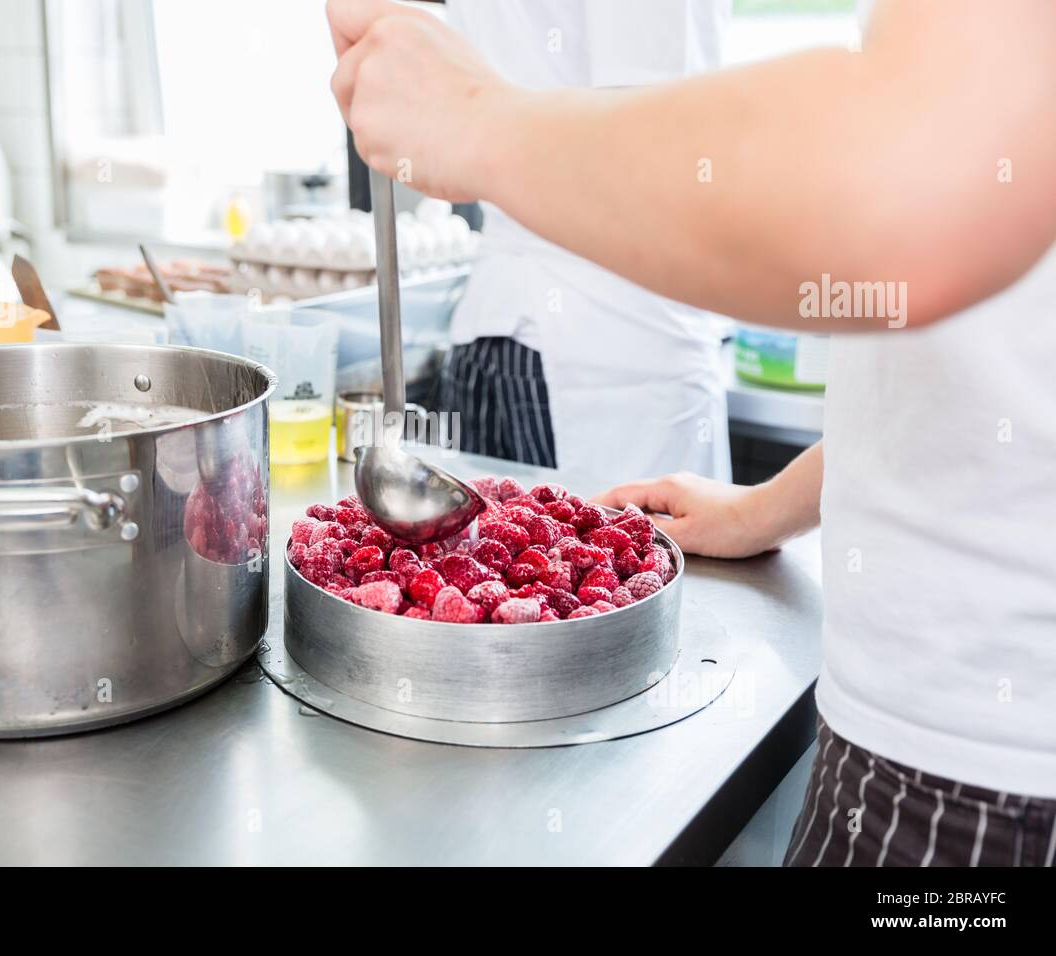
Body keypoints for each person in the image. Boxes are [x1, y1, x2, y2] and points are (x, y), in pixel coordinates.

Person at [326, 0, 1056, 865]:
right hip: (952, 739)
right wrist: (771, 506)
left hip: (983, 770)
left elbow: (910, 183)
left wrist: (475, 119)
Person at [439, 0, 733, 479]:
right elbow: (655, 144)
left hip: (497, 326)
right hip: (604, 349)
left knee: (497, 551)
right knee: (627, 550)